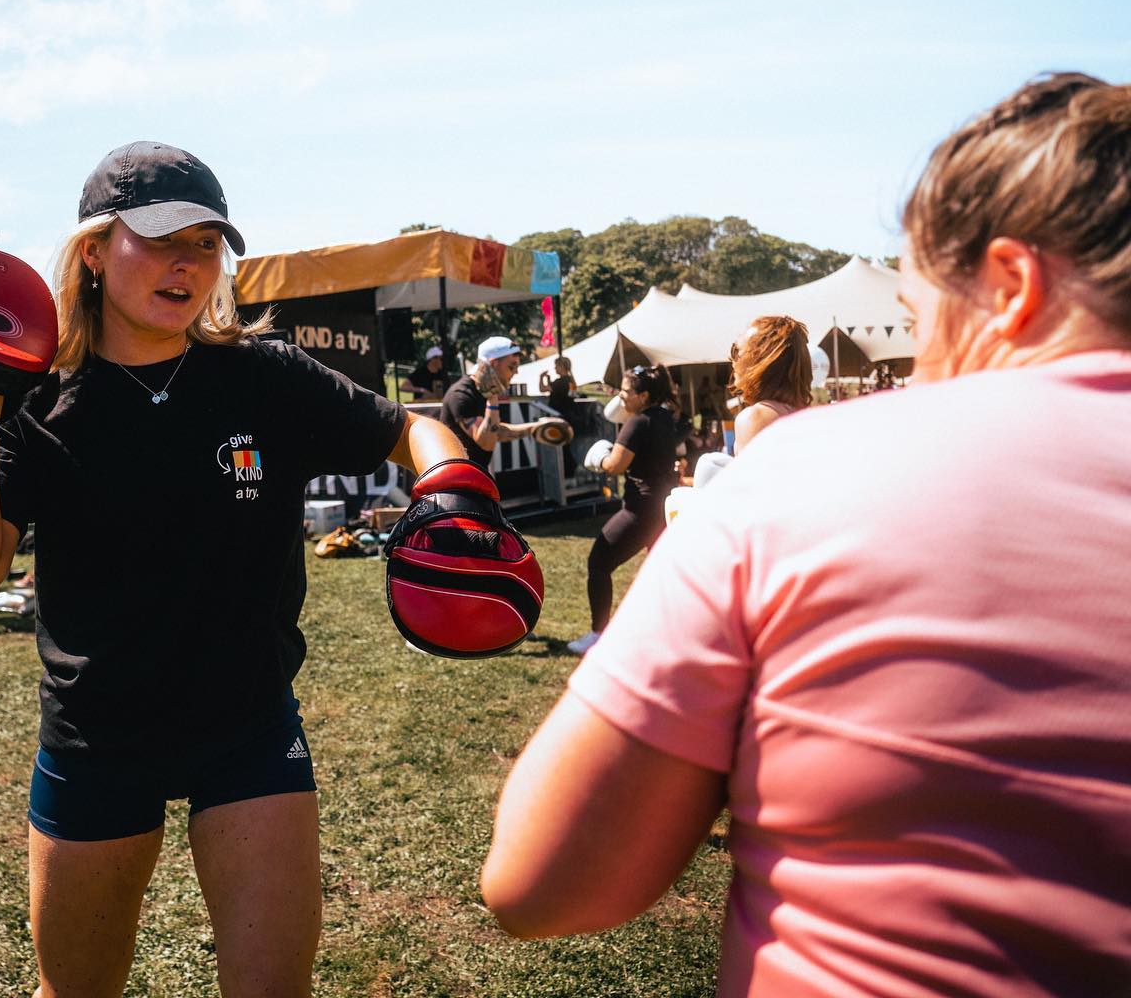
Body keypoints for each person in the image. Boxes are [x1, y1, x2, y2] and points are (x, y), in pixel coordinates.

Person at [480, 72, 1131, 996]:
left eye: (923, 320)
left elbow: (538, 884)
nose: (928, 363)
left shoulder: (810, 471)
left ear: (1012, 285)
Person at [0, 141, 470, 998]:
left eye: (206, 243)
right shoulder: (41, 402)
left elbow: (414, 428)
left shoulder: (264, 376)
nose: (188, 263)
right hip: (97, 738)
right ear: (94, 251)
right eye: (161, 239)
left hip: (248, 727)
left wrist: (455, 488)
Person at [566, 364, 682, 657]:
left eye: (626, 391)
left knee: (599, 562)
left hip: (641, 508)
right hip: (662, 506)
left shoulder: (639, 422)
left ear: (643, 396)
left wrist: (600, 458)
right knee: (659, 574)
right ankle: (667, 635)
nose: (620, 396)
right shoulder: (665, 417)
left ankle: (598, 634)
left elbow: (616, 465)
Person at [438, 336, 544, 470]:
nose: (516, 372)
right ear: (492, 364)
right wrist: (492, 399)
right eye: (512, 366)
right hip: (456, 478)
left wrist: (536, 428)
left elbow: (495, 431)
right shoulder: (460, 395)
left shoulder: (481, 391)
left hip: (475, 474)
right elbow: (486, 442)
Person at [727, 315, 811, 453]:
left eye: (736, 351)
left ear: (760, 362)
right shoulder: (810, 417)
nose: (732, 361)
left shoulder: (755, 418)